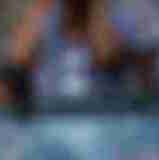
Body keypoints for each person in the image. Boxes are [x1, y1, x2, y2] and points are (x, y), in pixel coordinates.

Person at [10, 0, 138, 102]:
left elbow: (107, 57)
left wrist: (97, 7)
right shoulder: (45, 17)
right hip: (49, 114)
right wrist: (42, 5)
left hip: (99, 114)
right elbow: (19, 57)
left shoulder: (114, 15)